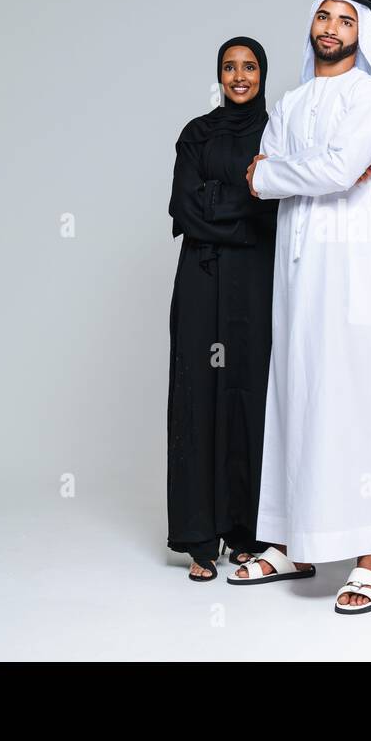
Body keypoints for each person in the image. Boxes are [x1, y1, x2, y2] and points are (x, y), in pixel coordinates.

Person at [229, 0, 371, 616]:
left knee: (354, 398)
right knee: (294, 393)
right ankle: (291, 542)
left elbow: (320, 170)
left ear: (362, 34)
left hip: (351, 269)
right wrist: (299, 171)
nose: (331, 29)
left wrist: (280, 173)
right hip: (295, 272)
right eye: (323, 18)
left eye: (345, 21)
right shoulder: (292, 101)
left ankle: (368, 558)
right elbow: (278, 172)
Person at [166, 36, 278, 581]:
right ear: (219, 74)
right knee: (198, 395)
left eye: (249, 67)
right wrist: (242, 199)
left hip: (256, 283)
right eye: (229, 67)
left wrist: (221, 201)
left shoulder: (278, 131)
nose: (239, 76)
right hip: (201, 281)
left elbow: (277, 210)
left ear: (262, 73)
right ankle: (199, 538)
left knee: (251, 396)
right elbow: (182, 209)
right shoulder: (198, 133)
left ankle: (250, 532)